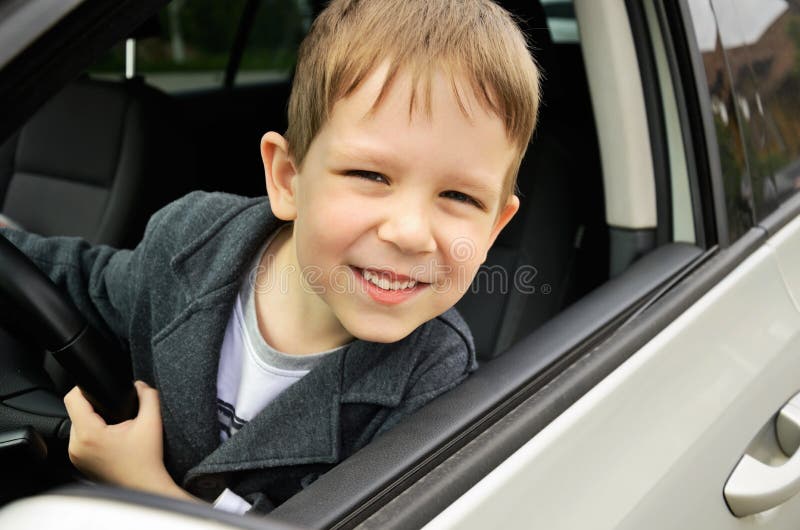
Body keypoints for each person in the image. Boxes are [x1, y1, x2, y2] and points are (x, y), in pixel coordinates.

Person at [2, 0, 540, 515]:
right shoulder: (192, 240)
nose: (409, 233)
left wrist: (145, 485)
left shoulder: (436, 382)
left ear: (495, 226)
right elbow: (80, 282)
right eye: (371, 175)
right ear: (287, 179)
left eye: (459, 197)